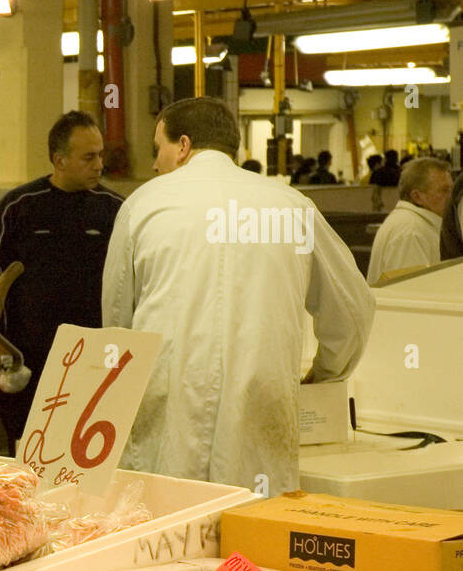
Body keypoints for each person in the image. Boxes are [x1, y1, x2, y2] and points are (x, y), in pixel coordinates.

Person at [102, 97, 375, 493]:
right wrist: (326, 373)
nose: (154, 165)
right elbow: (353, 310)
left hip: (167, 415)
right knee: (254, 540)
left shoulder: (143, 205)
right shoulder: (291, 208)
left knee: (169, 544)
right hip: (260, 408)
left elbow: (117, 325)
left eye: (157, 150)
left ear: (182, 145)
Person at [0, 111, 124, 454]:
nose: (99, 164)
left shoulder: (115, 210)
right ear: (59, 160)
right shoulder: (18, 208)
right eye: (88, 157)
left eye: (101, 154)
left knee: (86, 454)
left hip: (93, 358)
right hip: (29, 357)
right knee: (26, 451)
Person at [366, 158, 452, 284]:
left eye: (451, 189)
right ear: (417, 196)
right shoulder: (411, 232)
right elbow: (410, 291)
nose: (451, 197)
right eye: (444, 190)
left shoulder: (417, 223)